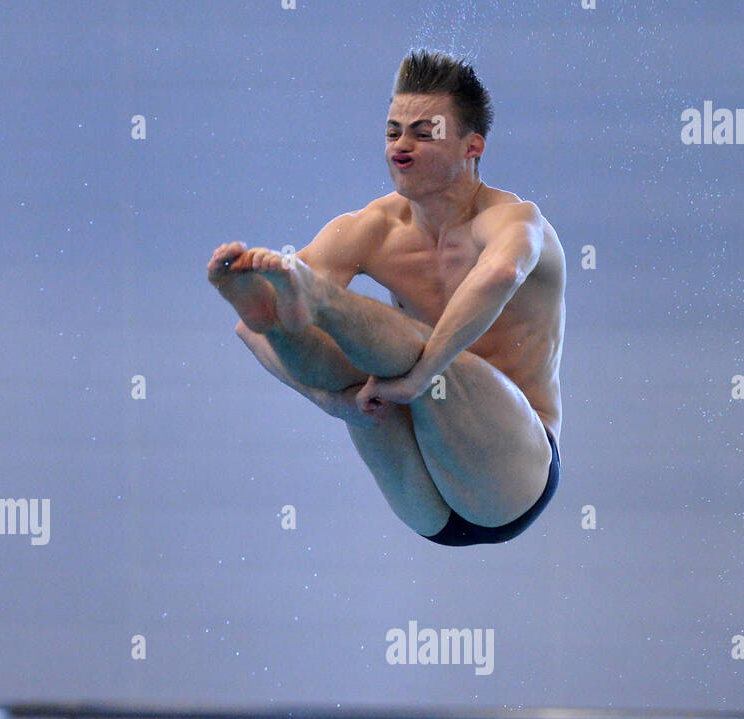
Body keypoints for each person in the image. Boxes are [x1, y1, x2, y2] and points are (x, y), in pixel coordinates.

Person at [207, 49, 565, 546]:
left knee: (419, 349)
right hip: (421, 495)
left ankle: (320, 301)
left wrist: (420, 376)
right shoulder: (372, 227)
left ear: (471, 146)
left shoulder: (513, 220)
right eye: (394, 131)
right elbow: (245, 331)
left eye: (424, 132)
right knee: (322, 351)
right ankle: (291, 313)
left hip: (509, 479)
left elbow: (501, 273)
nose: (402, 145)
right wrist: (332, 403)